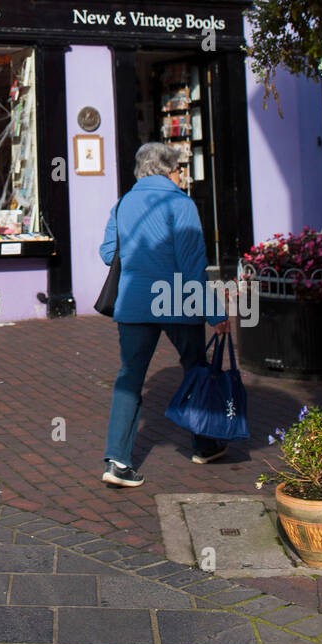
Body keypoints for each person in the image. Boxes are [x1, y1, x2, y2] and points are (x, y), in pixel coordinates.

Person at [99, 141, 230, 488]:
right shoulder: (181, 204)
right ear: (167, 169)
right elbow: (192, 266)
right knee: (196, 369)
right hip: (175, 300)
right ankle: (203, 444)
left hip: (134, 301)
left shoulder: (123, 203)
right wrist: (215, 313)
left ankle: (117, 461)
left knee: (129, 377)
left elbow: (107, 253)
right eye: (178, 168)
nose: (181, 175)